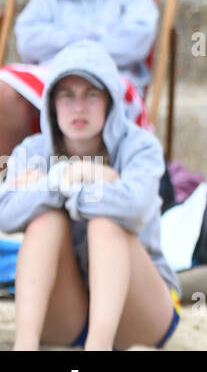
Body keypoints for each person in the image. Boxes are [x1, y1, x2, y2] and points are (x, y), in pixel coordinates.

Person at [0, 40, 180, 350]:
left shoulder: (140, 145)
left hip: (139, 313)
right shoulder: (33, 149)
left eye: (91, 95)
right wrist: (66, 179)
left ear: (110, 101)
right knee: (45, 221)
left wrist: (56, 184)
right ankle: (24, 346)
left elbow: (135, 207)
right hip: (69, 312)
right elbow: (4, 213)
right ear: (51, 104)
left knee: (105, 220)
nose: (79, 108)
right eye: (67, 96)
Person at [0, 0, 157, 156]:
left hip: (114, 80)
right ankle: (8, 177)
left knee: (88, 95)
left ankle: (90, 179)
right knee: (4, 87)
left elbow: (134, 46)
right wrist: (94, 39)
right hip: (53, 78)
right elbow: (28, 42)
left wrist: (64, 39)